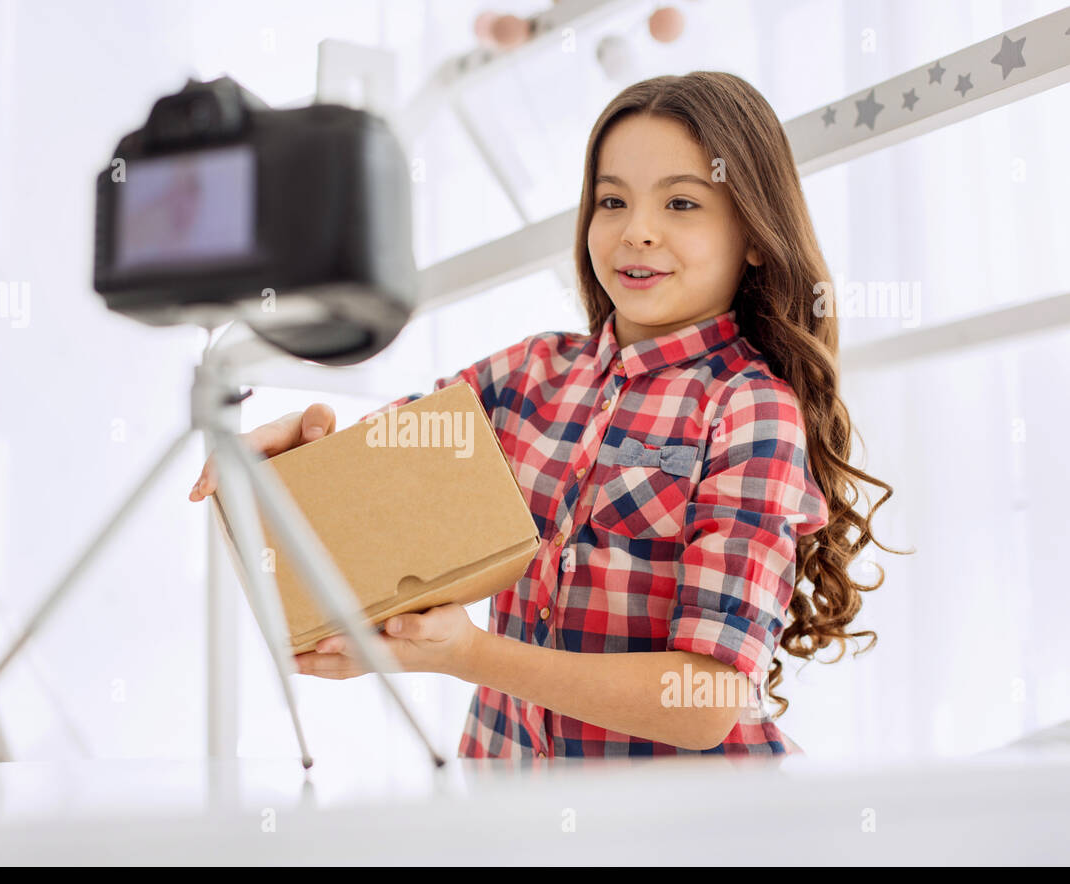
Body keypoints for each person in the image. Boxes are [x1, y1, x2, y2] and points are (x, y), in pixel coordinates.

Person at [189, 71, 903, 758]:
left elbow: (707, 701)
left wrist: (472, 656)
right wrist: (300, 448)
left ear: (753, 233)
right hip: (508, 804)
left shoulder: (749, 409)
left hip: (678, 828)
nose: (637, 232)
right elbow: (377, 490)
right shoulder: (525, 375)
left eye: (681, 204)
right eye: (612, 201)